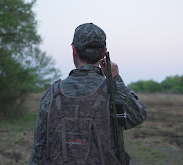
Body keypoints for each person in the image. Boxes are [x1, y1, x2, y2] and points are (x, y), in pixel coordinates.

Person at [30, 23, 146, 165]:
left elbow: (39, 148)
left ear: (74, 51)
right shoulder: (112, 91)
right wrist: (115, 79)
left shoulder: (52, 93)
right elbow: (137, 116)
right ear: (104, 53)